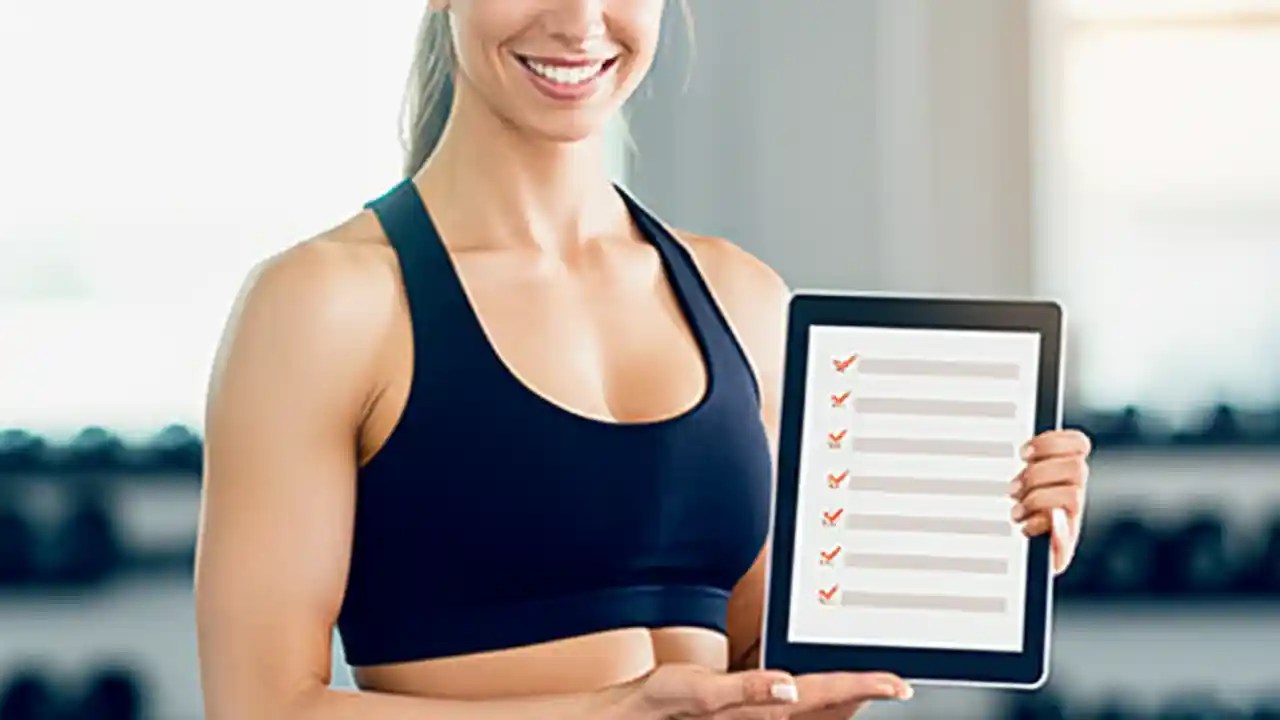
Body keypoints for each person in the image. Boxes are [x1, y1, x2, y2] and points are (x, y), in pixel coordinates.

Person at [193, 2, 1093, 719]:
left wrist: (980, 543)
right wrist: (606, 714)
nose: (580, 20)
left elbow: (760, 668)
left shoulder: (745, 299)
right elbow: (260, 705)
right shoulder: (326, 304)